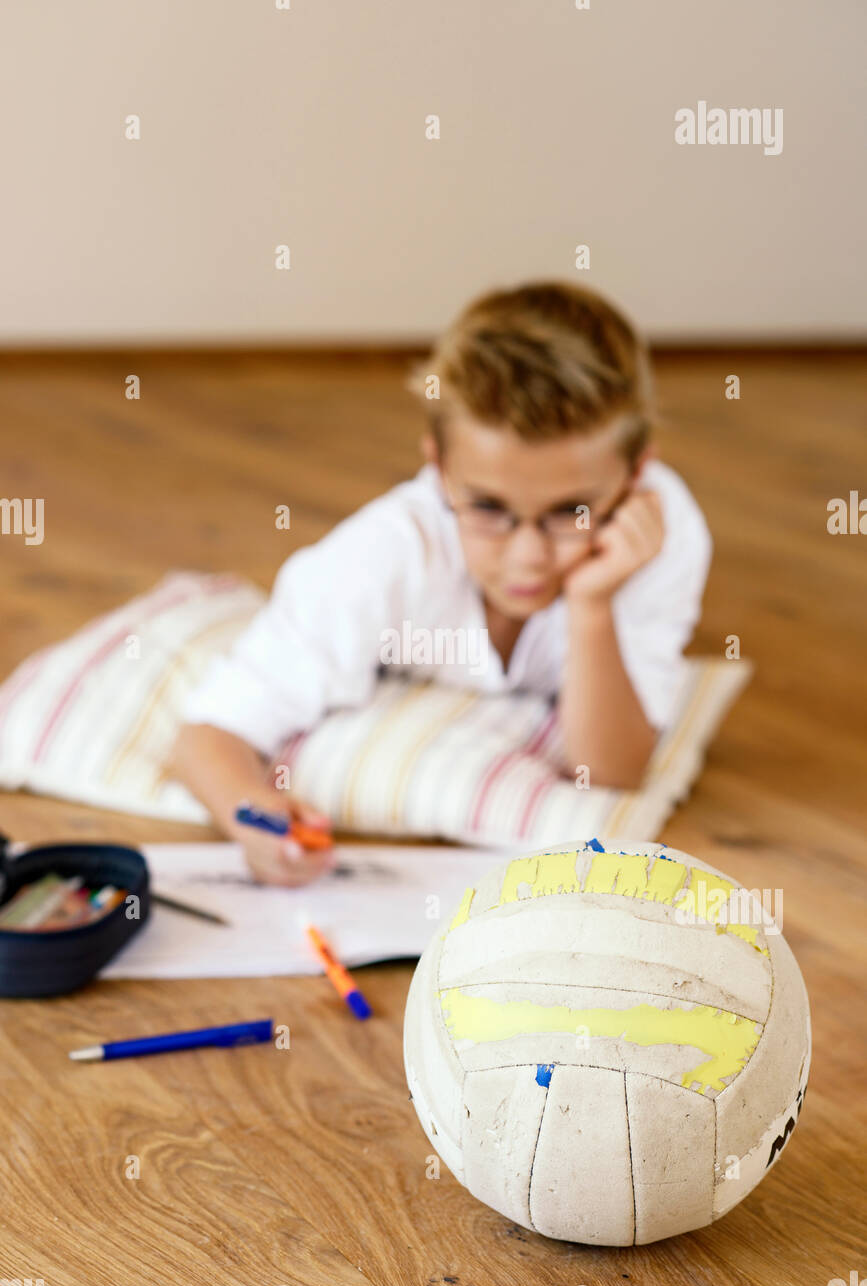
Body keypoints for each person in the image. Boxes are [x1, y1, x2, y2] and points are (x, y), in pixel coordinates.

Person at [170, 280, 712, 884]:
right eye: (486, 506)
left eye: (569, 512)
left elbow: (612, 772)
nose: (528, 557)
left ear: (639, 474)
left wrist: (593, 605)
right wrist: (252, 818)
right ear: (437, 467)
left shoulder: (663, 535)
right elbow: (211, 731)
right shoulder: (378, 559)